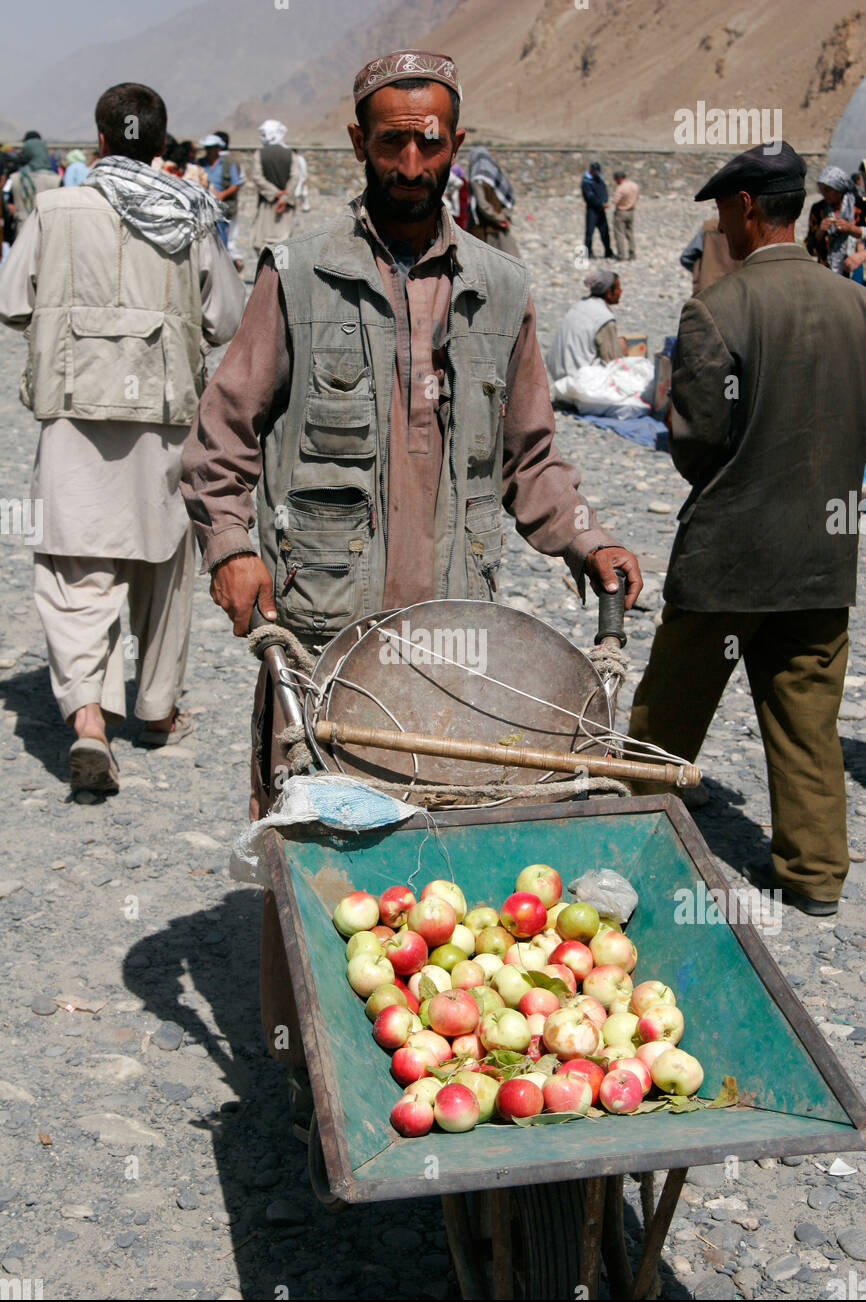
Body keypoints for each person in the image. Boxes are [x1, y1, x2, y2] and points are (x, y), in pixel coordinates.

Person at [179, 49, 643, 1119]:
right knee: (319, 853)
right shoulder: (297, 278)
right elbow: (220, 442)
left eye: (430, 138)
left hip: (457, 644)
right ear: (358, 144)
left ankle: (445, 1068)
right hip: (330, 639)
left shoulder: (501, 287)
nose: (411, 157)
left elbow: (531, 457)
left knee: (452, 870)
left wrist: (583, 538)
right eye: (390, 138)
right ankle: (315, 1080)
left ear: (454, 142)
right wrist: (233, 548)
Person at [627, 141, 866, 917]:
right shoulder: (854, 304)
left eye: (723, 209)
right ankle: (816, 875)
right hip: (823, 557)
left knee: (667, 716)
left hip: (729, 559)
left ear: (745, 209)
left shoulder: (716, 309)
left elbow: (695, 440)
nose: (720, 222)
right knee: (807, 721)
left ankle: (625, 834)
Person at [0, 82, 245, 794]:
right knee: (164, 567)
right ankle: (159, 712)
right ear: (162, 145)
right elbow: (225, 318)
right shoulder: (189, 214)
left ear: (100, 141)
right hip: (164, 423)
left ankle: (87, 723)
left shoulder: (53, 208)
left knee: (76, 573)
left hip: (76, 418)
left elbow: (13, 302)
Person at [545, 268, 624, 378]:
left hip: (559, 375)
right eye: (618, 288)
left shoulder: (579, 306)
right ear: (608, 292)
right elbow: (614, 362)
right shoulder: (604, 318)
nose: (621, 291)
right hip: (582, 380)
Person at [805, 165, 862, 273]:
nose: (824, 194)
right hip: (826, 271)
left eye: (827, 190)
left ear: (839, 188)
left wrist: (851, 229)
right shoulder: (818, 209)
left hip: (854, 270)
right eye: (822, 191)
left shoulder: (859, 206)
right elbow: (810, 249)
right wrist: (820, 231)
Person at [251, 119, 296, 254]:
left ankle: (265, 274)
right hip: (285, 206)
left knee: (264, 242)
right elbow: (295, 177)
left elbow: (258, 177)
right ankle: (281, 274)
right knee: (283, 243)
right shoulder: (291, 154)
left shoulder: (259, 154)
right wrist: (284, 198)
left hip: (267, 204)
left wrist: (275, 193)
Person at [466, 144, 519, 255]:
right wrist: (504, 217)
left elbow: (482, 204)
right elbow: (508, 198)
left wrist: (497, 218)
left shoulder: (476, 177)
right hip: (500, 224)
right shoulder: (496, 173)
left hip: (483, 227)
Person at [7, 137, 60, 233]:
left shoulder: (16, 178)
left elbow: (10, 205)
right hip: (47, 231)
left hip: (22, 231)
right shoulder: (55, 180)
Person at [200, 133, 242, 251]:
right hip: (203, 205)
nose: (208, 151)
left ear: (218, 148)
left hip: (221, 206)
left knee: (221, 234)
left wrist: (221, 195)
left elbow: (236, 184)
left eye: (211, 148)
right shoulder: (201, 163)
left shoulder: (228, 164)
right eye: (207, 148)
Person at [679, 217, 742, 292]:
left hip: (707, 290)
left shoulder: (709, 227)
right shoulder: (752, 231)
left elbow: (686, 257)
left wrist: (701, 272)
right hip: (738, 291)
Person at [213, 130, 246, 267]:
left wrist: (220, 194)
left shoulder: (211, 161)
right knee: (231, 237)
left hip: (216, 205)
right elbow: (241, 181)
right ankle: (233, 261)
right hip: (230, 204)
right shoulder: (236, 160)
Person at [581, 160, 613, 259]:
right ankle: (588, 252)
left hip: (601, 209)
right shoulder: (586, 182)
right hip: (592, 210)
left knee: (605, 231)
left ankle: (608, 251)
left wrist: (605, 201)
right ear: (591, 170)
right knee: (589, 233)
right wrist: (600, 204)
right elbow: (590, 197)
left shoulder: (599, 179)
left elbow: (604, 191)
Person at [612, 170, 638, 260]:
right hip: (631, 211)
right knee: (630, 234)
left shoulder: (621, 188)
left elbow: (615, 201)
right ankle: (632, 254)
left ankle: (621, 255)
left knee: (619, 234)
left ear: (619, 178)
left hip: (621, 211)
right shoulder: (634, 185)